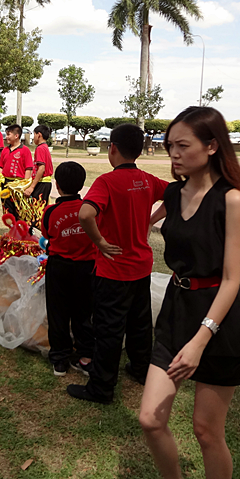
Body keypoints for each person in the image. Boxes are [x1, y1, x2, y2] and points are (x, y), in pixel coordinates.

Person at [138, 106, 240, 479]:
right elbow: (141, 223)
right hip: (177, 310)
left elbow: (230, 278)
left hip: (217, 324)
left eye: (181, 145)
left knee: (207, 432)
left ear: (211, 146)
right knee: (149, 420)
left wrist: (200, 340)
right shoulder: (173, 194)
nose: (172, 153)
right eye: (168, 145)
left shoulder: (232, 199)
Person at [67, 123, 168, 404]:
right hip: (141, 267)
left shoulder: (107, 182)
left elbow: (86, 213)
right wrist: (151, 219)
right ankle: (140, 369)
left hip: (113, 270)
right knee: (138, 324)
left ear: (112, 149)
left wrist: (98, 241)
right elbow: (176, 193)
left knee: (108, 330)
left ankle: (101, 388)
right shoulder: (147, 180)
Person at [40, 161, 96, 376]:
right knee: (84, 313)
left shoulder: (51, 211)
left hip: (59, 268)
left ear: (57, 184)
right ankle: (85, 356)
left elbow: (47, 236)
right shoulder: (90, 210)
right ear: (81, 185)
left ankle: (60, 359)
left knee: (58, 313)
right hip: (87, 268)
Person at [0, 124, 33, 221]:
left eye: (9, 134)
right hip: (6, 184)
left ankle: (20, 233)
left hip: (18, 185)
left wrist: (25, 185)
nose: (6, 137)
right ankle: (11, 232)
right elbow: (0, 166)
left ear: (16, 136)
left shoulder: (25, 150)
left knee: (19, 210)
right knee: (7, 209)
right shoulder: (5, 150)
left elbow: (28, 169)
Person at [23, 124, 54, 208]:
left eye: (34, 134)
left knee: (37, 212)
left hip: (42, 183)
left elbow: (41, 168)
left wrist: (32, 187)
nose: (33, 137)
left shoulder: (40, 148)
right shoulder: (45, 147)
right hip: (45, 183)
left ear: (39, 135)